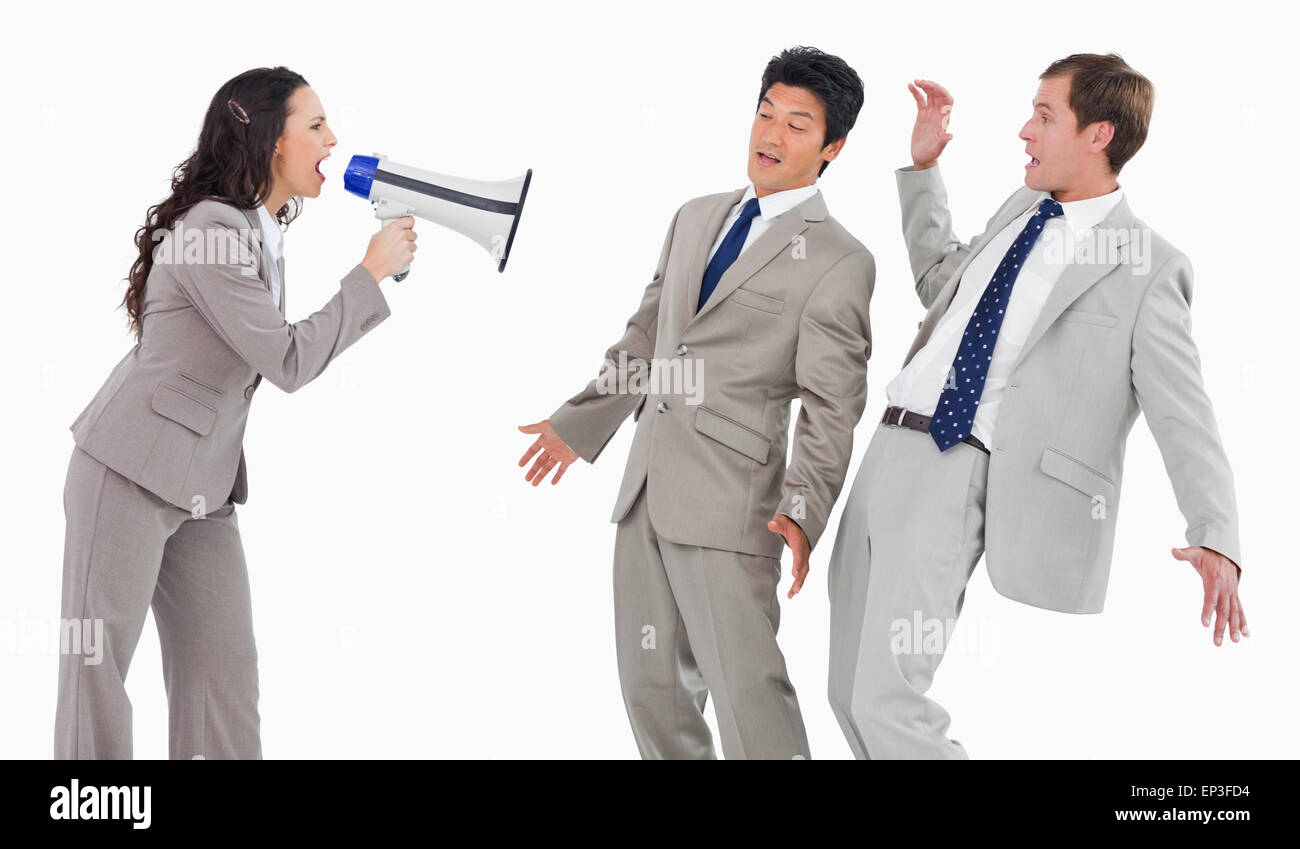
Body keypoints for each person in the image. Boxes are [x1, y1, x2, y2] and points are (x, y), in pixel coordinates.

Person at [826, 54, 1246, 760]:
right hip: (887, 452)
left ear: (1099, 134)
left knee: (888, 698)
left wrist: (1216, 529)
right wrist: (924, 170)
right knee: (849, 693)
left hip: (954, 464)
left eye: (1044, 116)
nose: (1025, 130)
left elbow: (1185, 410)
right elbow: (942, 285)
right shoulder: (1021, 208)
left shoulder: (1147, 264)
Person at [517, 46, 873, 759]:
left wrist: (805, 513)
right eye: (765, 113)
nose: (770, 135)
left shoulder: (839, 260)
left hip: (732, 506)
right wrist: (579, 423)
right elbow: (647, 336)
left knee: (749, 698)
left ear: (833, 146)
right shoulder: (695, 215)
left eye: (797, 124)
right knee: (652, 692)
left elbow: (833, 408)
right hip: (646, 488)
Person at [56, 66, 418, 759]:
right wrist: (368, 276)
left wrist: (372, 276)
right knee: (94, 671)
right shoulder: (212, 230)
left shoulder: (263, 228)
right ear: (269, 139)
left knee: (223, 677)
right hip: (126, 471)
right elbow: (285, 360)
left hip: (203, 487)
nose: (332, 139)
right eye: (315, 125)